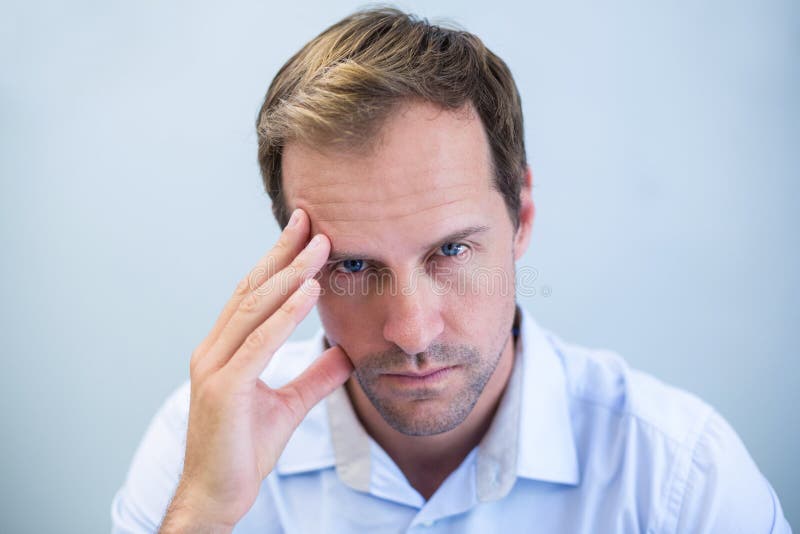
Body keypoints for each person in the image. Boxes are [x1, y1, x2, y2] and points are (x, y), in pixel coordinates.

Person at [111, 7, 791, 533]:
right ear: (292, 261)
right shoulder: (199, 446)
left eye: (451, 251)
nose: (410, 330)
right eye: (351, 264)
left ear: (522, 215)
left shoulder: (680, 474)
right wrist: (203, 512)